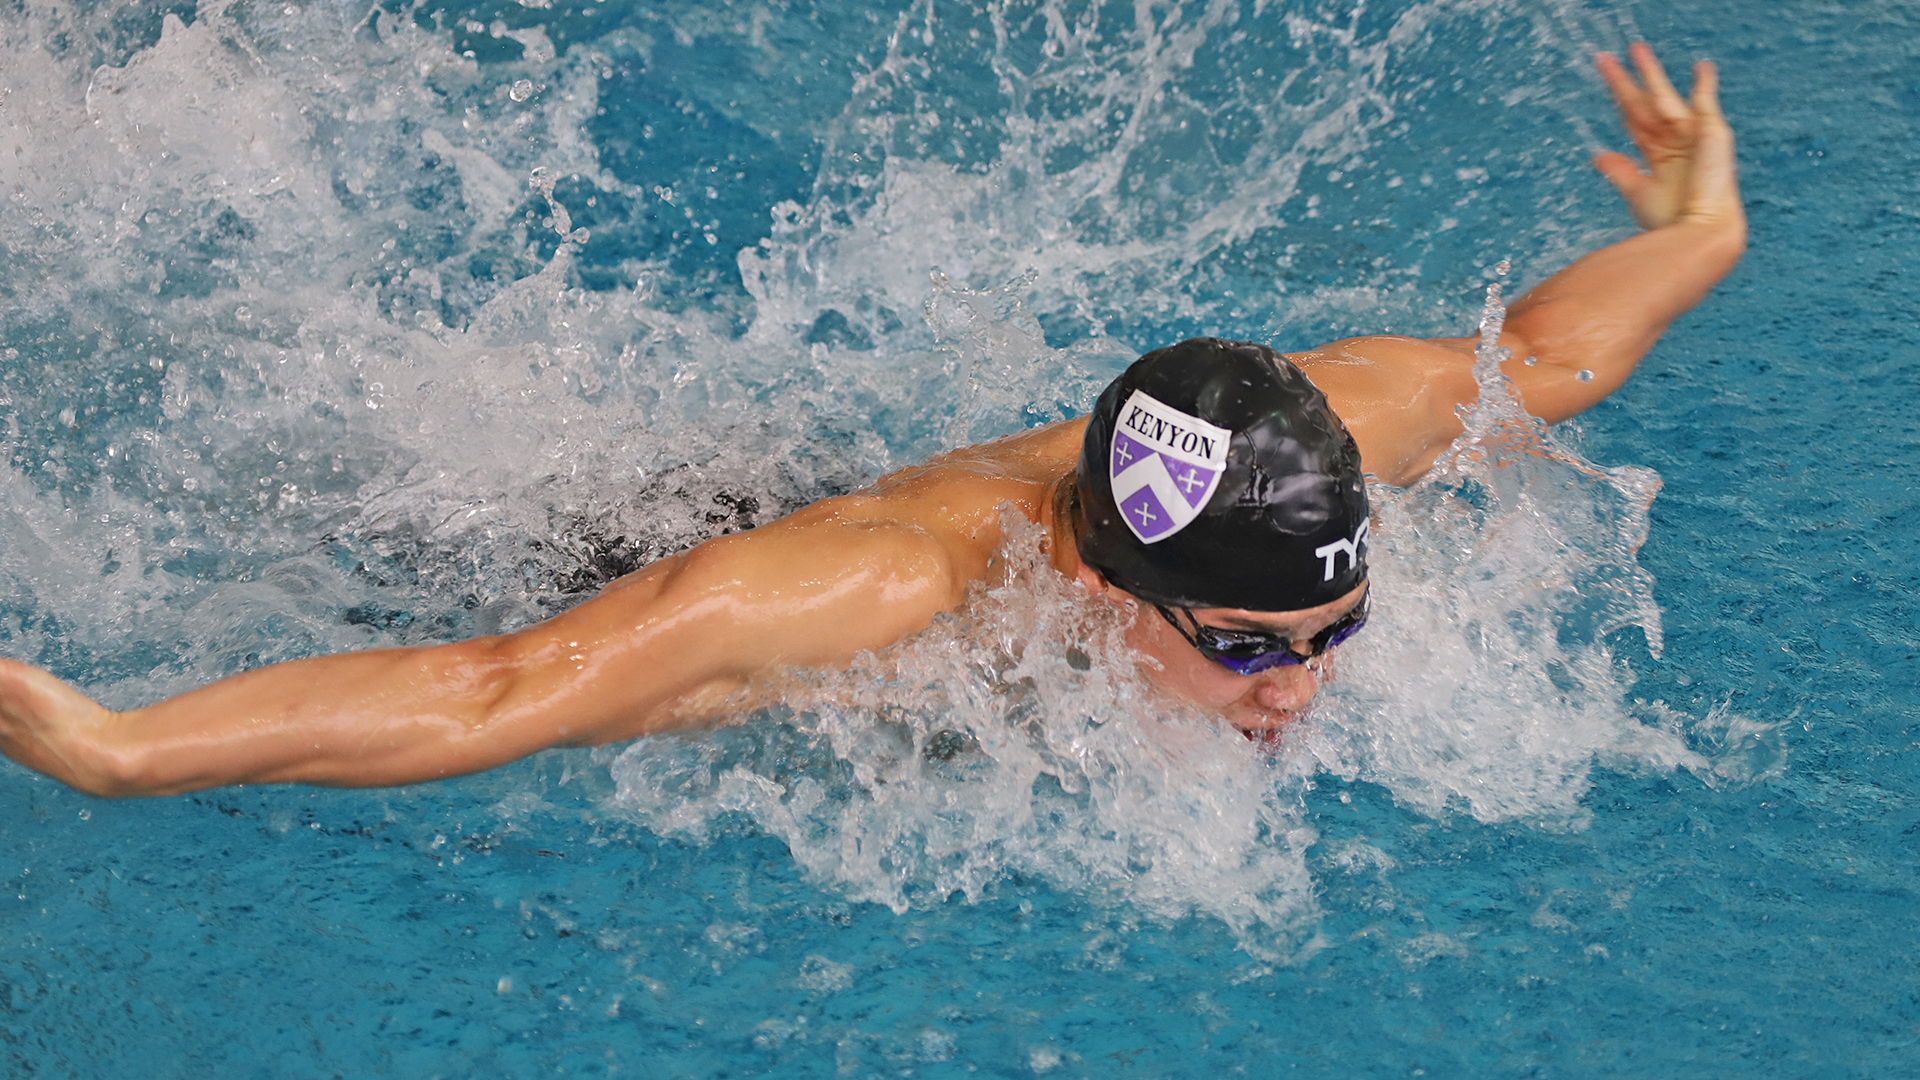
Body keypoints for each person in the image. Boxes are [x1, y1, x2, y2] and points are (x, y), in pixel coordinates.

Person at [0, 44, 1744, 798]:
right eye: (1240, 647)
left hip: (805, 502)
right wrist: (126, 745)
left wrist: (1698, 227)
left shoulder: (1332, 440)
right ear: (1104, 587)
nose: (1296, 687)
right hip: (629, 560)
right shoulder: (883, 599)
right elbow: (504, 686)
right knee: (498, 602)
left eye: (1327, 631)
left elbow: (1550, 353)